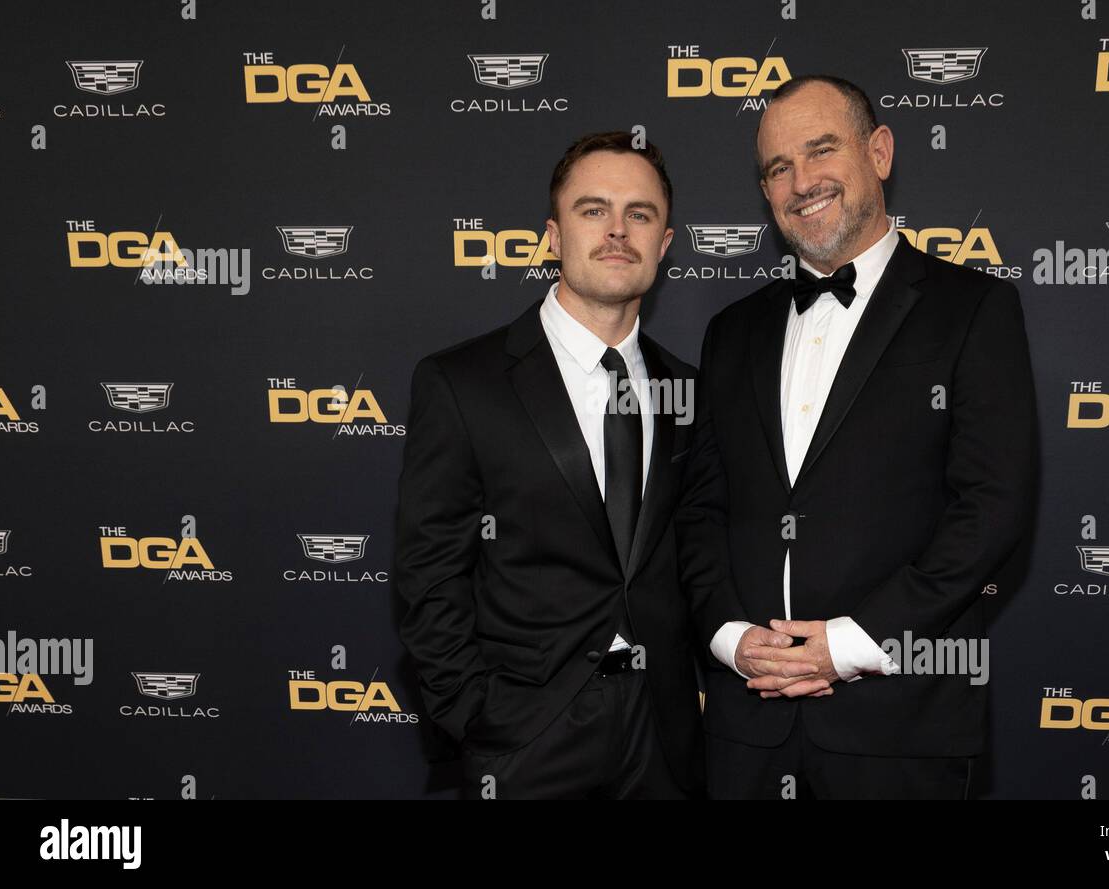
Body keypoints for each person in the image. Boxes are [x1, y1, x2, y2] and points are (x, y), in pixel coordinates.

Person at [677, 75, 1039, 799]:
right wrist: (729, 639)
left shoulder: (973, 310)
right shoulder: (731, 334)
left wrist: (844, 647)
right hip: (748, 733)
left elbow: (993, 506)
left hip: (900, 731)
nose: (800, 182)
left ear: (879, 152)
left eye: (820, 151)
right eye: (778, 168)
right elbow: (700, 509)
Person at [395, 131, 702, 799]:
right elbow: (428, 573)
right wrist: (479, 718)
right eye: (593, 210)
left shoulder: (692, 391)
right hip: (526, 741)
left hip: (666, 742)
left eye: (640, 214)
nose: (618, 230)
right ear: (553, 236)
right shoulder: (464, 382)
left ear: (666, 244)